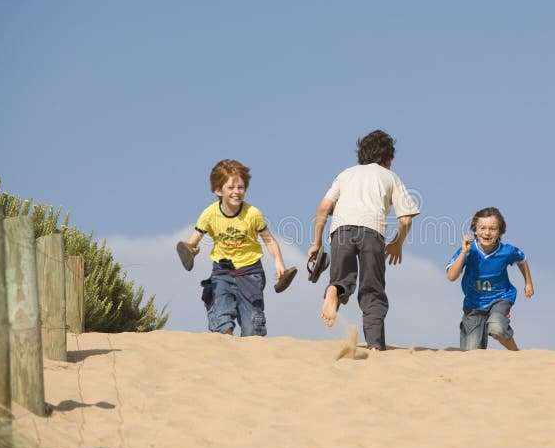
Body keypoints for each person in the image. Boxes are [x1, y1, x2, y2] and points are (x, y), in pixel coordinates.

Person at [308, 129, 420, 351]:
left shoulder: (346, 174)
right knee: (372, 289)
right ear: (389, 159)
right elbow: (406, 220)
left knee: (343, 277)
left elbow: (323, 208)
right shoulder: (390, 177)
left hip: (340, 230)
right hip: (372, 232)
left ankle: (333, 289)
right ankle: (375, 345)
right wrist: (398, 242)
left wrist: (316, 243)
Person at [180, 159, 289, 336]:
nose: (236, 192)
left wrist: (278, 261)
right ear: (218, 190)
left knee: (253, 330)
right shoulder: (209, 214)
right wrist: (190, 249)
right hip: (222, 274)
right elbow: (192, 241)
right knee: (222, 324)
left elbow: (269, 240)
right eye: (231, 188)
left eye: (240, 187)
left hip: (250, 274)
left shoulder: (253, 214)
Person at [445, 207, 534, 351]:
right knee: (471, 353)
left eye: (492, 229)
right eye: (482, 228)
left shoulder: (507, 251)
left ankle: (517, 354)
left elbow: (522, 259)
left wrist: (528, 283)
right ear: (475, 230)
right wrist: (464, 253)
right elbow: (451, 276)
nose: (487, 232)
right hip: (473, 305)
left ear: (500, 231)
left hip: (500, 298)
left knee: (497, 328)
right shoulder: (469, 250)